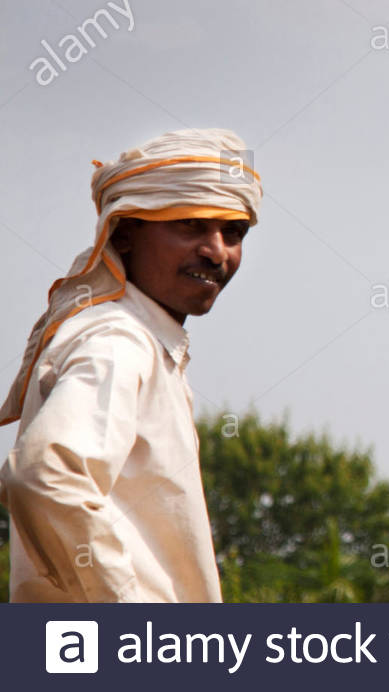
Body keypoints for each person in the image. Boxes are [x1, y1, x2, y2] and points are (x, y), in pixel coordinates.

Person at [0, 129, 262, 602]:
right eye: (190, 226)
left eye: (233, 232)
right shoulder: (118, 340)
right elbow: (46, 474)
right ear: (124, 234)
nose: (217, 251)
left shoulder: (146, 342)